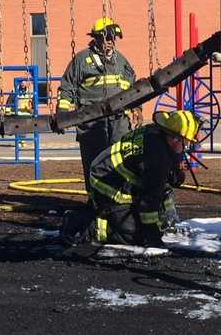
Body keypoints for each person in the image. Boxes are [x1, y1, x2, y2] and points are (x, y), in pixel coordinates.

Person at [67, 109, 200, 247]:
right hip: (107, 183)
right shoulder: (156, 157)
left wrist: (176, 170)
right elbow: (149, 198)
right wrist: (152, 236)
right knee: (135, 234)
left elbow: (167, 177)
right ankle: (90, 227)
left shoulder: (157, 133)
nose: (187, 147)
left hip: (121, 176)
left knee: (159, 195)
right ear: (174, 139)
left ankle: (115, 215)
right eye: (186, 142)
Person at [58, 17, 137, 196]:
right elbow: (67, 87)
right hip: (91, 123)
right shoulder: (82, 60)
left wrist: (136, 109)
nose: (110, 41)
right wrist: (62, 114)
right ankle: (95, 201)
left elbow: (132, 89)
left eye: (113, 37)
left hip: (118, 122)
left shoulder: (121, 61)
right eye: (107, 37)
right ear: (96, 37)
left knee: (120, 161)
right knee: (93, 162)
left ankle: (120, 202)